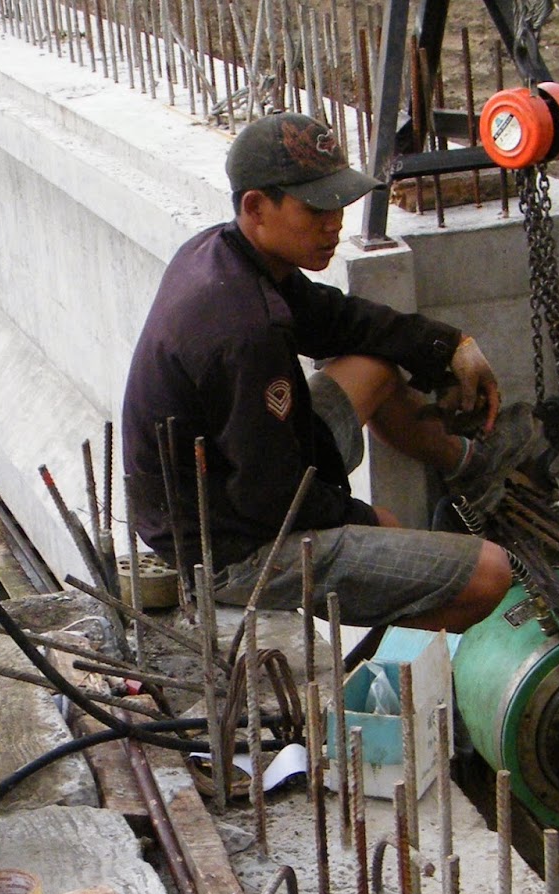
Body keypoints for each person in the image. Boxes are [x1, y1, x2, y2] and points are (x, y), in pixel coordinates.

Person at [120, 111, 519, 634]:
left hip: (245, 471)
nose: (334, 224)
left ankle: (470, 468)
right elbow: (269, 498)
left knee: (374, 366)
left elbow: (336, 321)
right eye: (315, 209)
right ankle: (399, 656)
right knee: (491, 573)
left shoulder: (225, 253)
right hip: (231, 548)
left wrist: (448, 346)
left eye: (338, 206)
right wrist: (365, 519)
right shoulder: (245, 331)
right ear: (256, 206)